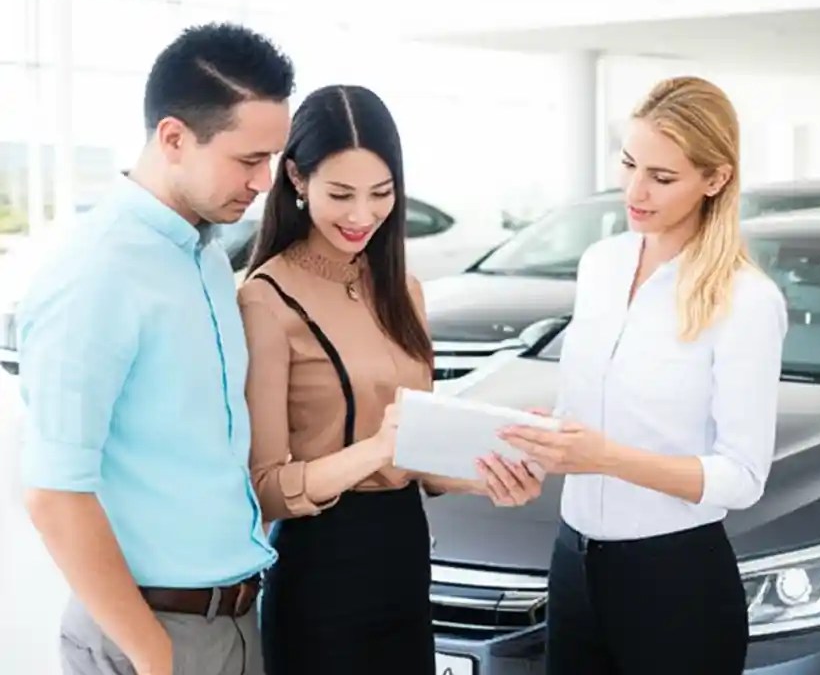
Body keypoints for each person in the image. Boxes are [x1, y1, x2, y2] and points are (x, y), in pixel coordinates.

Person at [237, 84, 543, 675]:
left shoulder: (405, 291)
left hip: (403, 556)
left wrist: (493, 469)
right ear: (297, 180)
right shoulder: (265, 299)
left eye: (380, 194)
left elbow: (417, 449)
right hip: (320, 571)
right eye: (340, 194)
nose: (362, 216)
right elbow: (266, 488)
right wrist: (376, 449)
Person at [18, 23, 295, 675]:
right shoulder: (97, 272)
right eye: (248, 159)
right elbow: (53, 492)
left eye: (272, 159)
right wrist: (151, 653)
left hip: (233, 622)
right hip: (151, 635)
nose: (264, 182)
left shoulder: (200, 256)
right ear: (173, 138)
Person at [500, 76, 789, 674]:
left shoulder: (746, 301)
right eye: (629, 164)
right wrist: (542, 440)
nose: (635, 191)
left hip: (675, 583)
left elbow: (742, 477)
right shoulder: (600, 265)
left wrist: (604, 457)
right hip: (573, 567)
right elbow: (582, 407)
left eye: (662, 177)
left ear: (716, 179)